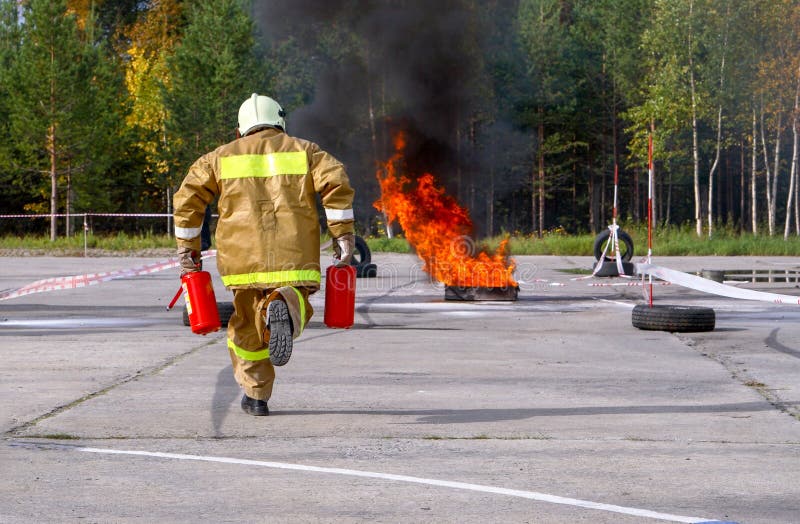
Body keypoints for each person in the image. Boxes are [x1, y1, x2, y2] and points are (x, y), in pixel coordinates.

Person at [173, 93, 356, 416]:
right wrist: (342, 234)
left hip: (242, 262)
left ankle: (256, 395)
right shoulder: (307, 151)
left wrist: (188, 249)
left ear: (240, 129)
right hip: (295, 256)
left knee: (245, 328)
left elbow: (187, 200)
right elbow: (336, 184)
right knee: (296, 301)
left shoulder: (218, 158)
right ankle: (282, 303)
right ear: (280, 121)